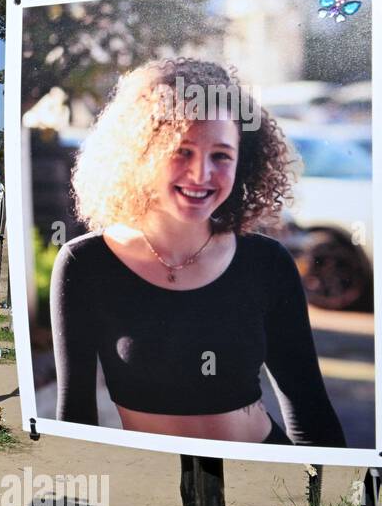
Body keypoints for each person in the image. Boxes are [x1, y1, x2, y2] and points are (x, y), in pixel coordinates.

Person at [50, 59, 345, 447]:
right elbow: (75, 421)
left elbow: (309, 408)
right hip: (151, 490)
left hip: (262, 473)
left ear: (244, 161)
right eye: (181, 151)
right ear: (140, 154)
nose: (200, 174)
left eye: (221, 155)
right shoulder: (85, 264)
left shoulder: (267, 262)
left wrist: (326, 498)